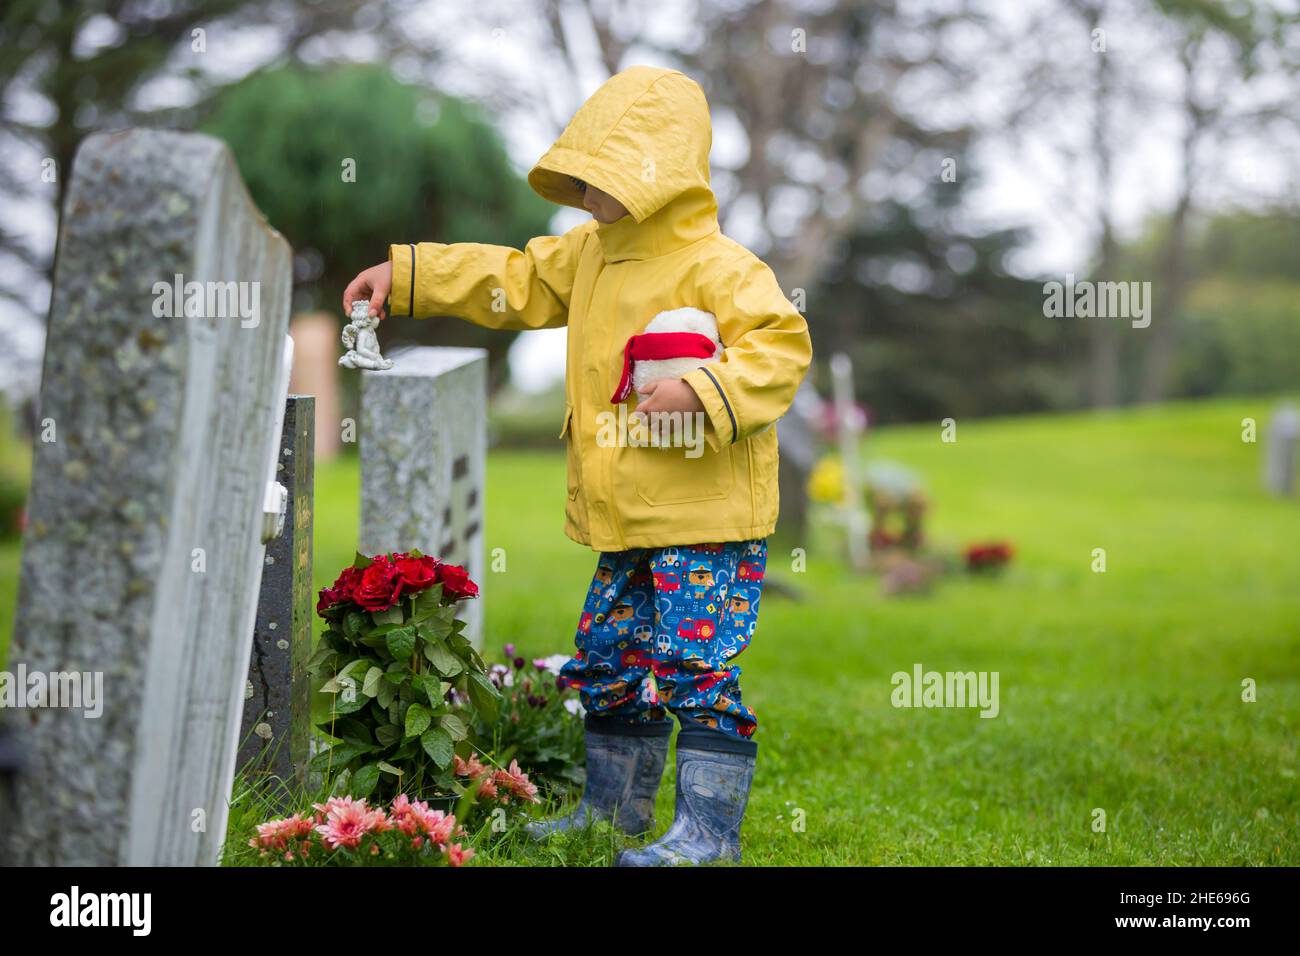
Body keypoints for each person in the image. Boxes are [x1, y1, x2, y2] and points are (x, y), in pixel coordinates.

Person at [343, 65, 812, 866]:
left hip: (706, 520)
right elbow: (512, 279)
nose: (587, 195)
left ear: (658, 178)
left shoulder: (722, 267)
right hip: (628, 516)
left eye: (605, 178)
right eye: (581, 177)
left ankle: (707, 836)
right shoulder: (589, 256)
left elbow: (780, 349)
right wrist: (410, 275)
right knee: (606, 658)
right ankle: (613, 814)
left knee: (695, 666)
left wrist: (705, 388)